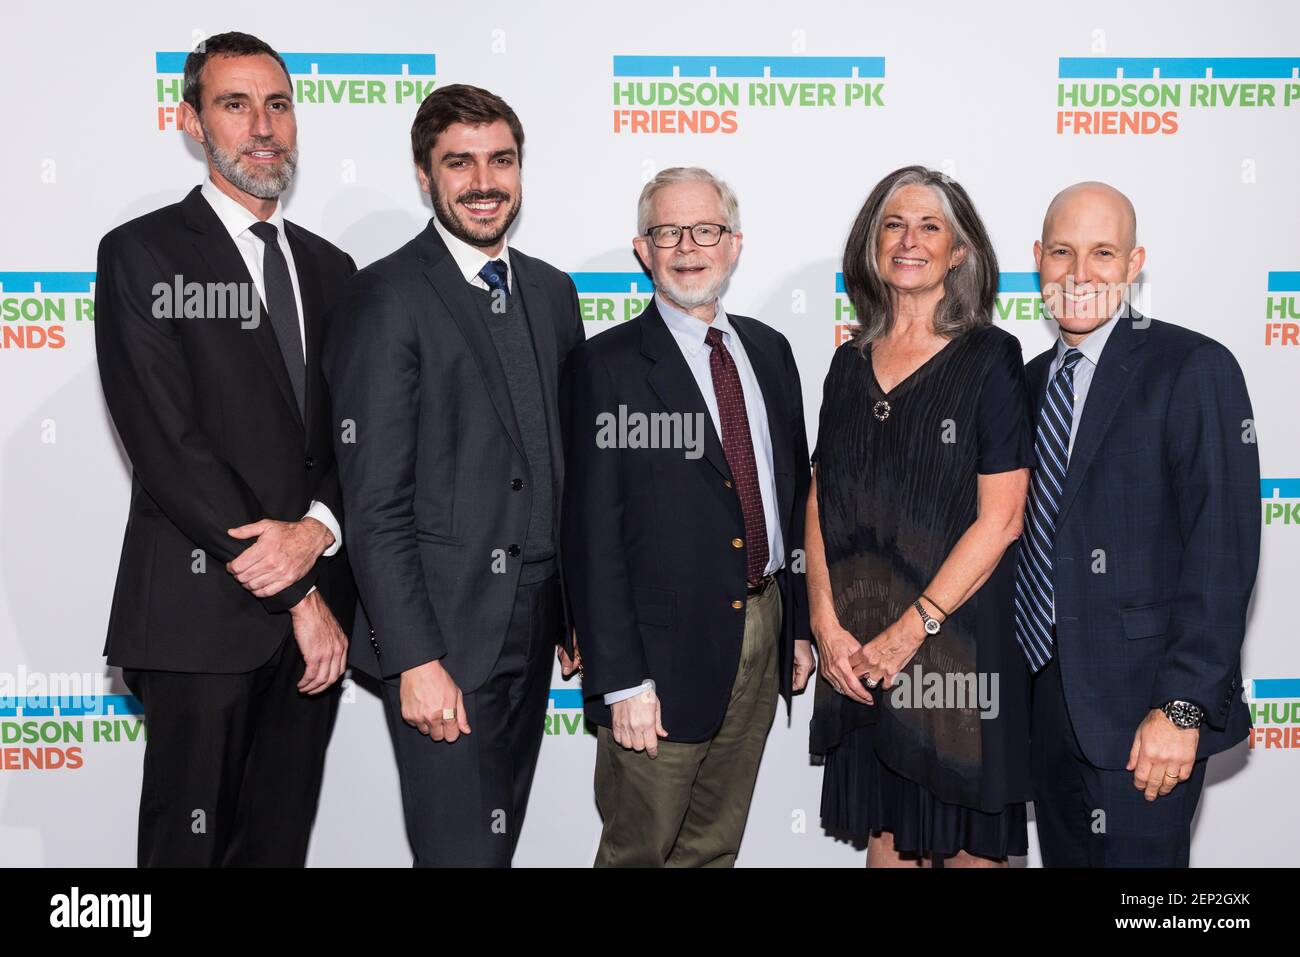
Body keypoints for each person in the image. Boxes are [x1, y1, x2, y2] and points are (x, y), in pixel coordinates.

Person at [94, 32, 355, 866]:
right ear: (193, 123)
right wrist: (298, 593)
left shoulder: (332, 268)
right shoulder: (142, 253)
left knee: (275, 849)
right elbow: (168, 445)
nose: (262, 126)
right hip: (198, 620)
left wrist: (318, 532)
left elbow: (359, 437)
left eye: (277, 104)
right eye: (235, 105)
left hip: (313, 637)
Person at [323, 84, 584, 867]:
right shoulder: (385, 296)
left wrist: (575, 612)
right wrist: (414, 657)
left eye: (501, 160)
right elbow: (373, 501)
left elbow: (560, 463)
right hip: (443, 635)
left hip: (536, 622)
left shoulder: (551, 290)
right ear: (423, 173)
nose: (483, 181)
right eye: (459, 162)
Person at [563, 167, 815, 868]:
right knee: (638, 852)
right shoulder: (604, 367)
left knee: (712, 847)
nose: (686, 246)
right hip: (656, 658)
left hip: (762, 632)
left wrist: (793, 627)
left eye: (704, 229)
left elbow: (787, 495)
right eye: (667, 231)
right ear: (643, 250)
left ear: (733, 244)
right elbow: (590, 537)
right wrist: (621, 678)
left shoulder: (770, 351)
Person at [1020, 182, 1259, 867]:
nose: (1079, 273)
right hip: (1047, 713)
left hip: (1145, 717)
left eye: (1102, 253)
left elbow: (1223, 553)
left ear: (1133, 264)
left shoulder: (1192, 367)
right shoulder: (1028, 382)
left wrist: (1183, 708)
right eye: (1061, 251)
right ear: (1037, 259)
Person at [807, 165, 1032, 867]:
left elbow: (1002, 519)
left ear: (959, 252)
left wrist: (912, 630)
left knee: (970, 849)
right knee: (888, 846)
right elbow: (820, 497)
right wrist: (822, 620)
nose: (909, 240)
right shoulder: (847, 364)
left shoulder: (993, 358)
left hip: (959, 653)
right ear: (872, 245)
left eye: (929, 226)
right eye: (893, 225)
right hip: (863, 655)